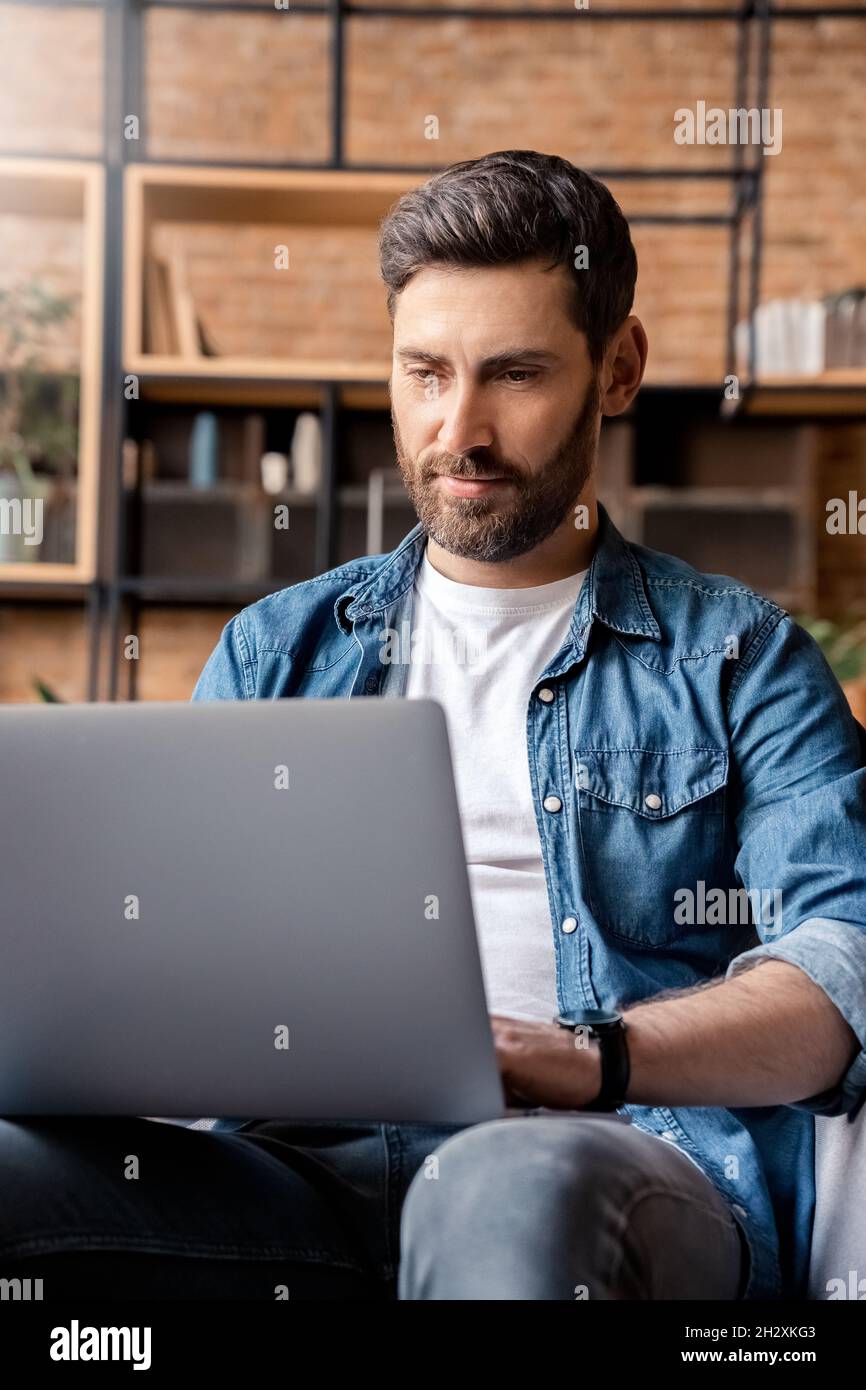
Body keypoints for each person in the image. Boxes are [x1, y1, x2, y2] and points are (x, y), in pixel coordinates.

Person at [2, 150, 865, 1301]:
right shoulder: (277, 650)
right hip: (301, 1164)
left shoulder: (740, 659)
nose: (456, 429)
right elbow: (170, 946)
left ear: (618, 370)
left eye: (513, 374)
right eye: (424, 372)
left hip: (620, 1158)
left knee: (505, 1194)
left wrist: (590, 1059)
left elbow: (841, 973)